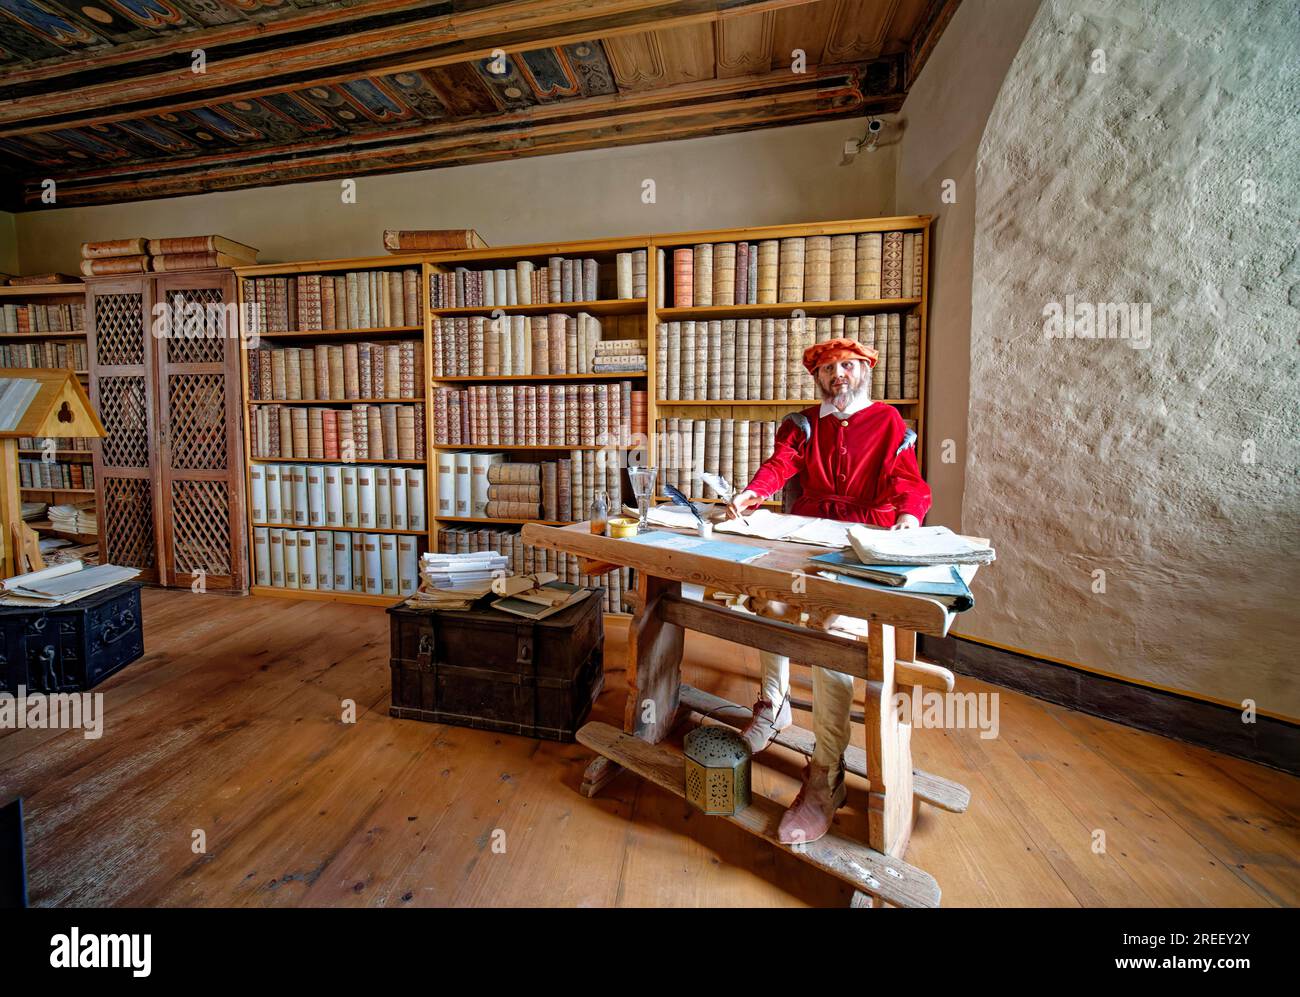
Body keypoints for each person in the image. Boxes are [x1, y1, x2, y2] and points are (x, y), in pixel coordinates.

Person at [725, 337, 931, 844]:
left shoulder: (888, 423)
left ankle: (825, 775)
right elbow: (781, 465)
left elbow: (910, 483)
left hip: (868, 537)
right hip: (808, 530)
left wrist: (907, 519)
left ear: (864, 370)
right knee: (768, 601)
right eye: (828, 369)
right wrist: (754, 492)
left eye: (847, 366)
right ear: (817, 378)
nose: (838, 375)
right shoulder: (803, 423)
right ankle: (773, 705)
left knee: (832, 629)